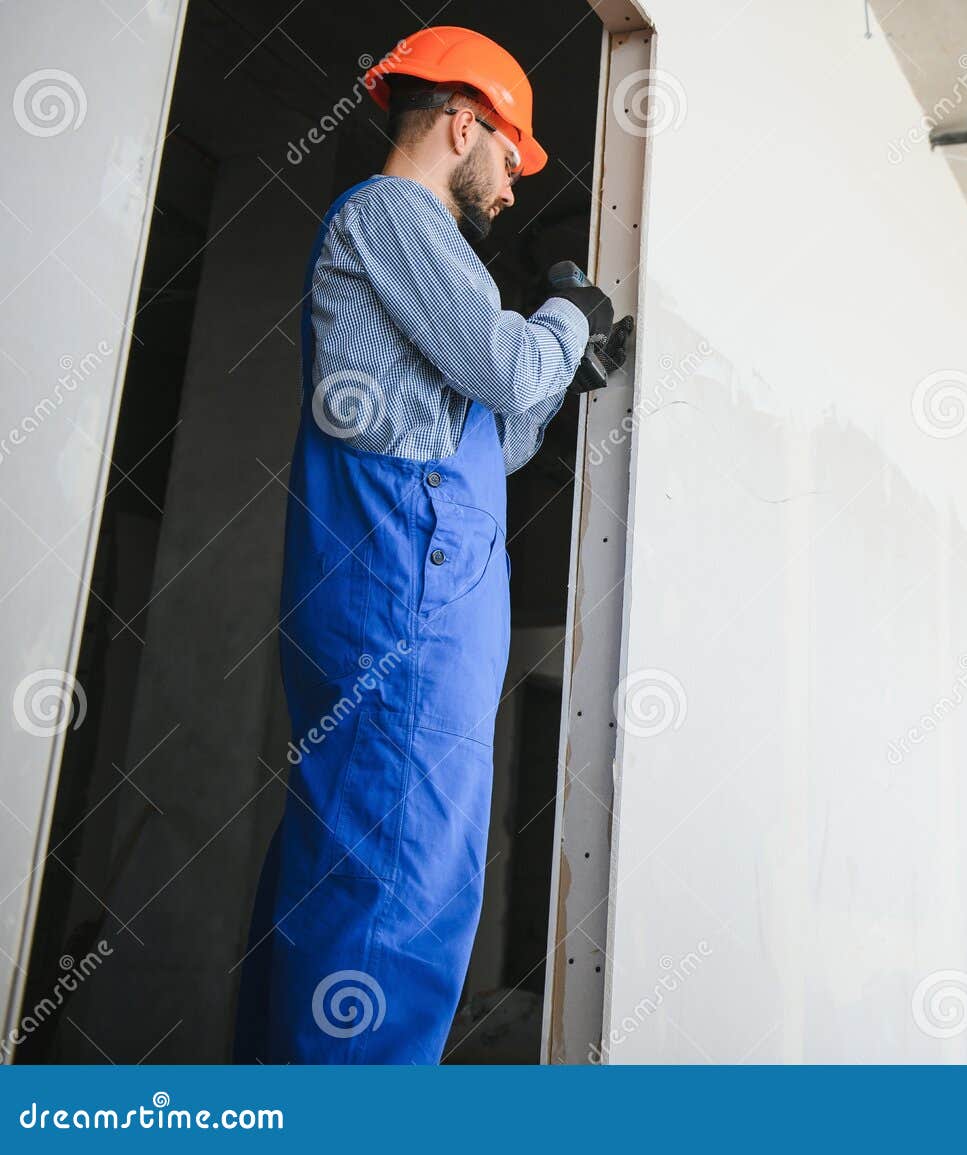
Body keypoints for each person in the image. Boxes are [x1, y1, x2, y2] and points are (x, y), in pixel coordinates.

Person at [233, 25, 620, 1063]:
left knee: (357, 859)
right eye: (508, 157)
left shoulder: (422, 253)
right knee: (397, 877)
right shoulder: (393, 212)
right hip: (401, 589)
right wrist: (566, 321)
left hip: (414, 587)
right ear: (463, 125)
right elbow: (505, 367)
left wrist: (560, 370)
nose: (509, 185)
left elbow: (487, 431)